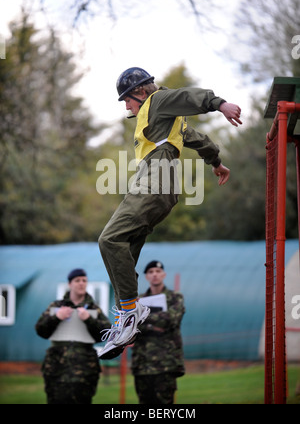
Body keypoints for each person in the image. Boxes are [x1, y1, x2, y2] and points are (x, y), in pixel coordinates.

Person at [98, 67, 242, 360]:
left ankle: (130, 311)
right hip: (158, 186)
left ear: (139, 91)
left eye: (127, 100)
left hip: (156, 181)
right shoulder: (166, 122)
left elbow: (187, 96)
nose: (127, 107)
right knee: (124, 252)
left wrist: (219, 103)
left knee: (109, 240)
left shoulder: (157, 101)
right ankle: (124, 319)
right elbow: (196, 137)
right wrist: (216, 162)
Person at [35, 268, 111, 405]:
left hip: (84, 369)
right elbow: (40, 330)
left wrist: (89, 319)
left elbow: (106, 333)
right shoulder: (56, 306)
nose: (81, 283)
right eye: (77, 280)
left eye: (84, 280)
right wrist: (57, 317)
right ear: (70, 284)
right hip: (57, 368)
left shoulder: (93, 308)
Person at [131, 260, 185, 404]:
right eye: (151, 272)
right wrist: (156, 322)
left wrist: (144, 315)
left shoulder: (175, 298)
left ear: (164, 275)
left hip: (166, 363)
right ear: (146, 276)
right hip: (142, 364)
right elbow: (132, 326)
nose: (155, 275)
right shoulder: (138, 301)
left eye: (158, 271)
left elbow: (171, 320)